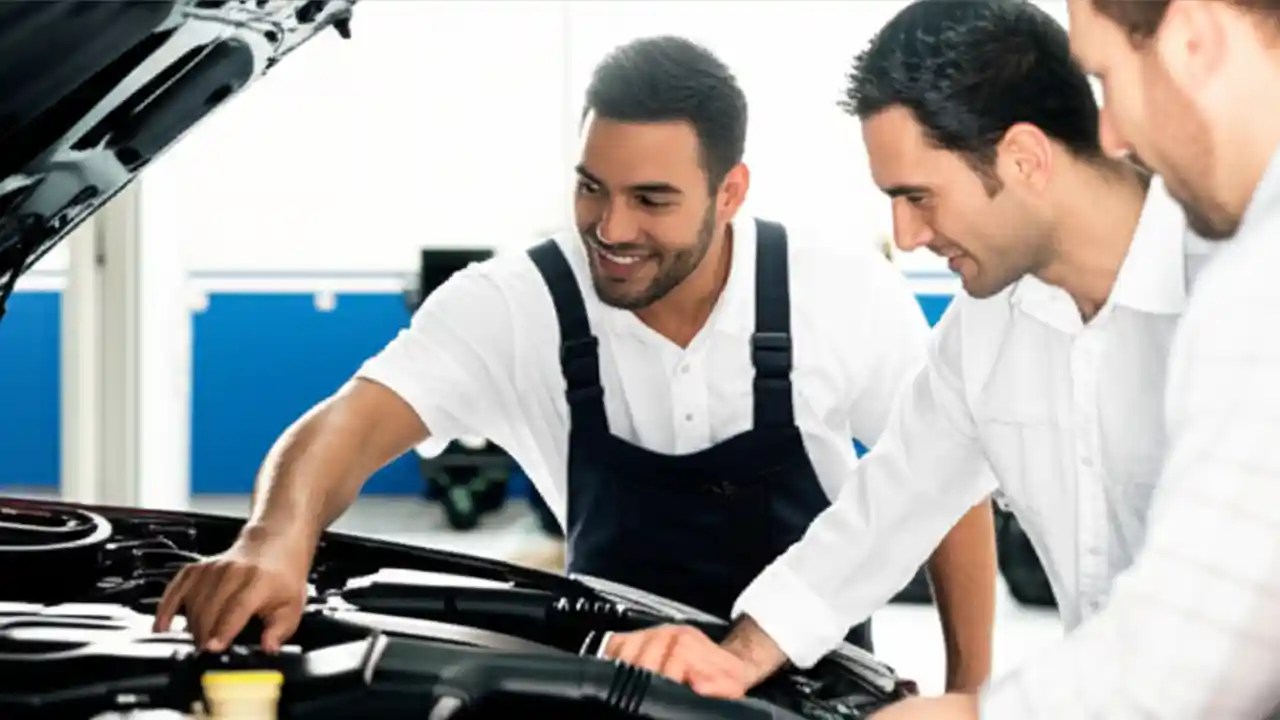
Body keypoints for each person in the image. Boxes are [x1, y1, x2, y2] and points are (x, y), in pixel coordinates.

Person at [151, 34, 999, 691]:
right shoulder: (517, 306)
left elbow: (944, 491)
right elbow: (351, 420)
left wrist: (968, 692)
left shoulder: (839, 294)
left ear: (730, 192)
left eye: (651, 200)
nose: (612, 228)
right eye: (592, 187)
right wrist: (273, 539)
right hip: (606, 688)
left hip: (810, 691)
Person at [602, 0, 1220, 706]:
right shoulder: (986, 330)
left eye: (919, 197)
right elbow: (891, 506)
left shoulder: (1237, 292)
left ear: (1024, 158)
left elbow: (1232, 613)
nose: (906, 234)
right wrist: (737, 657)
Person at [870, 0, 1280, 717]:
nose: (1111, 135)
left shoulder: (1249, 282)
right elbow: (891, 498)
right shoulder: (987, 329)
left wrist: (974, 712)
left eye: (1109, 80)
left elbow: (1195, 655)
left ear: (1193, 39)